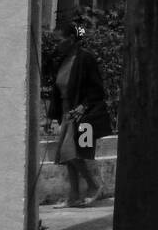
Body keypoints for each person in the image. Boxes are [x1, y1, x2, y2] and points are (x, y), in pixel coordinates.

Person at [46, 22, 111, 207]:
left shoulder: (85, 59)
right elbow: (57, 92)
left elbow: (97, 89)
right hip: (68, 114)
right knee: (68, 156)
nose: (56, 44)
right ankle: (74, 196)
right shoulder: (62, 59)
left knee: (78, 153)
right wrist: (51, 116)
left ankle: (94, 186)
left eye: (59, 40)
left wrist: (83, 106)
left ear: (72, 39)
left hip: (86, 116)